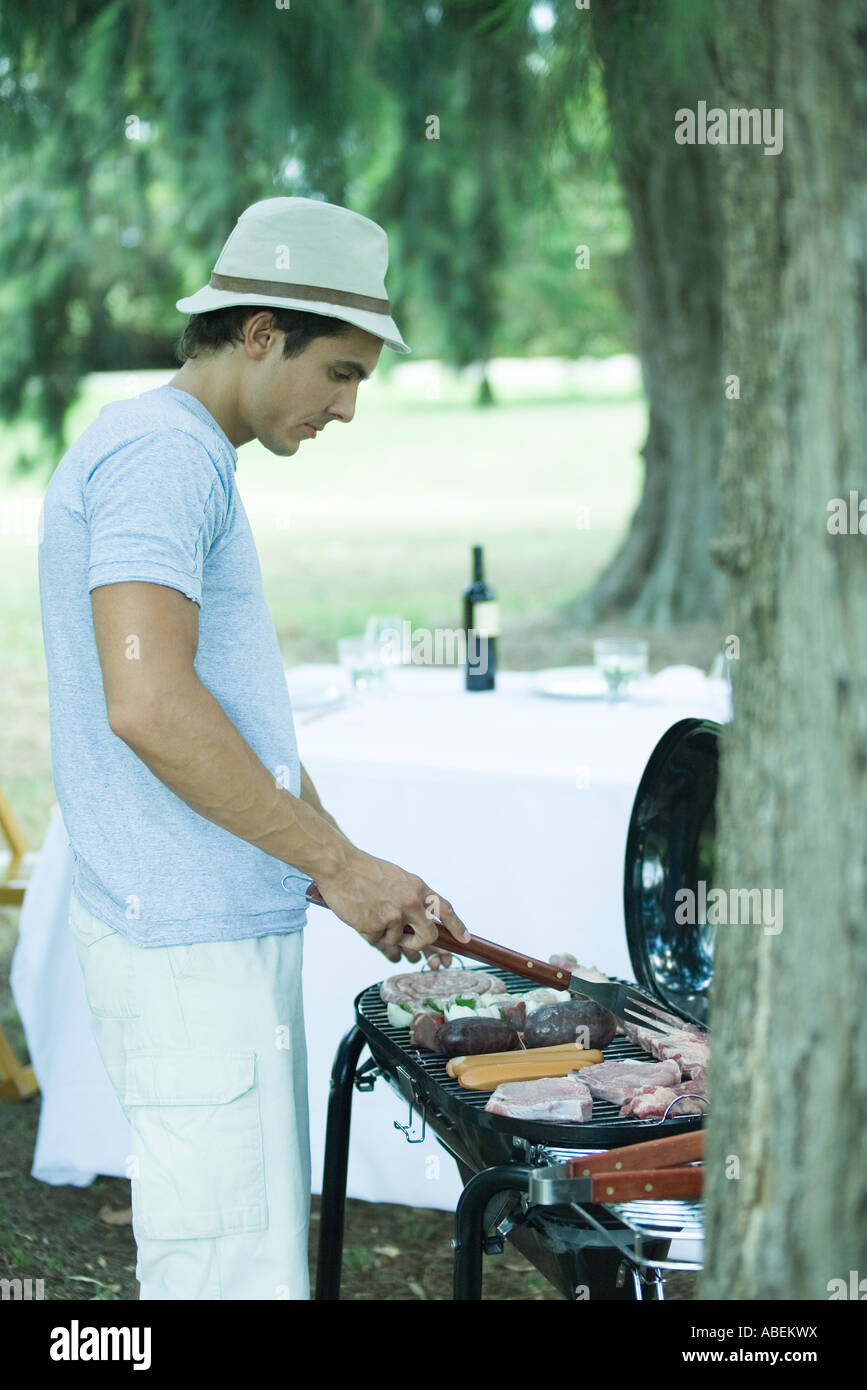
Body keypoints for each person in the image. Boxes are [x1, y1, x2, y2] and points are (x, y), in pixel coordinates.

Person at [37, 197, 470, 1300]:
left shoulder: (180, 454)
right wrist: (335, 863)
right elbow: (150, 704)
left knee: (246, 1262)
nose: (348, 406)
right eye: (343, 372)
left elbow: (228, 719)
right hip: (187, 950)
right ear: (261, 333)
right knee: (230, 1280)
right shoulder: (162, 458)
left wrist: (351, 872)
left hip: (206, 933)